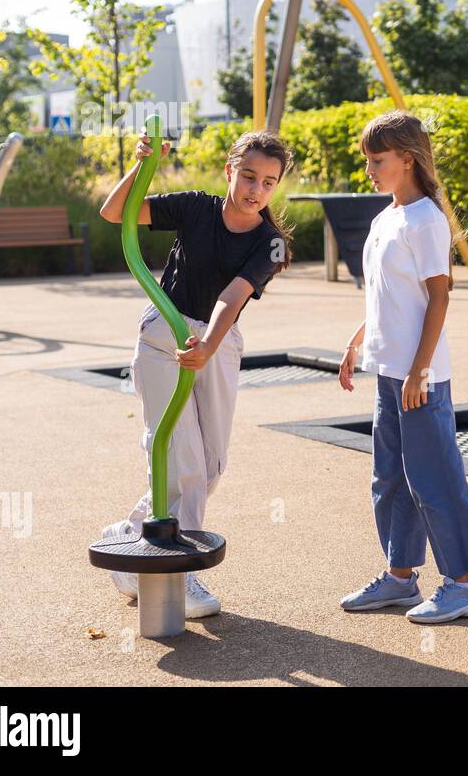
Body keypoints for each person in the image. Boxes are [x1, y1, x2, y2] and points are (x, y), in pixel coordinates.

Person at [99, 129, 293, 618]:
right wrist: (140, 166)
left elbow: (234, 293)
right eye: (248, 176)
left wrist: (209, 344)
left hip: (217, 341)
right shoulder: (195, 207)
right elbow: (115, 213)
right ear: (230, 170)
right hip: (166, 334)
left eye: (268, 183)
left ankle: (134, 533)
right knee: (180, 456)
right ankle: (177, 574)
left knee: (210, 465)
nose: (255, 190)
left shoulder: (270, 243)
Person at [337, 110, 468, 624]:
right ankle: (400, 578)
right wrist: (358, 340)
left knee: (435, 479)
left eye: (377, 160)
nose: (369, 169)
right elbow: (386, 296)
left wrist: (421, 369)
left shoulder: (426, 219)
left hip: (419, 376)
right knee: (389, 479)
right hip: (387, 370)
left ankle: (465, 586)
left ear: (407, 159)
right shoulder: (387, 218)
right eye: (366, 160)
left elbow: (440, 298)